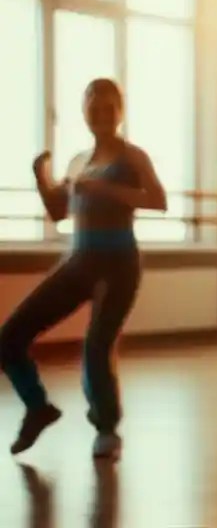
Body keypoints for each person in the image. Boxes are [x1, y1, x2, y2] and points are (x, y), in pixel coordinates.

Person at [0, 78, 168, 460]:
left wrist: (106, 190)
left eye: (110, 109)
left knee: (96, 346)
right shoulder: (79, 162)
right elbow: (59, 212)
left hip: (119, 262)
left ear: (120, 113)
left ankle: (107, 428)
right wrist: (40, 179)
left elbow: (159, 200)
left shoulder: (133, 157)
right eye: (94, 109)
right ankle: (37, 407)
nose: (102, 116)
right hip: (81, 260)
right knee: (10, 337)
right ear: (85, 113)